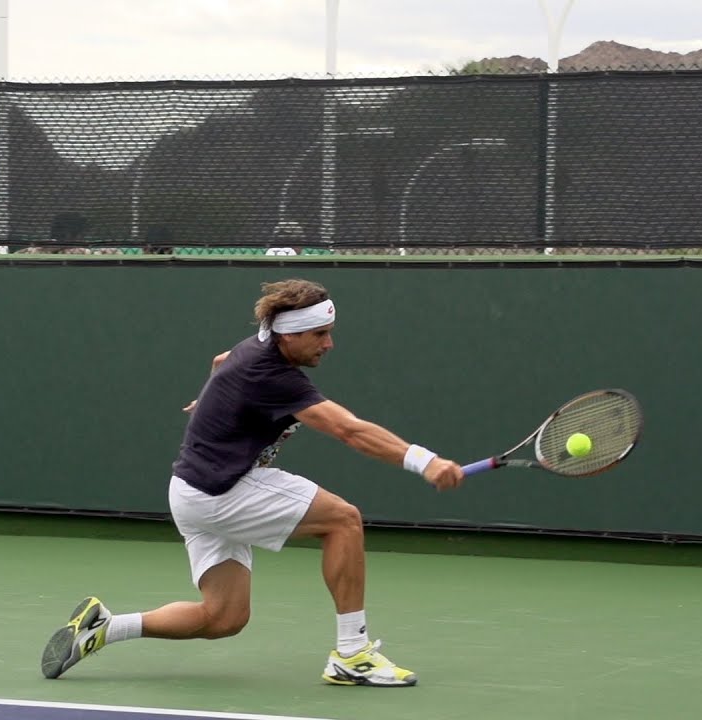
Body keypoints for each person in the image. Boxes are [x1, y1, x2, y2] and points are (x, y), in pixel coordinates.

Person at [40, 278, 465, 687]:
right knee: (344, 521)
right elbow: (349, 431)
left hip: (188, 493)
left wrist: (211, 397)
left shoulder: (256, 345)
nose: (329, 344)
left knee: (224, 618)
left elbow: (220, 362)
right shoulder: (272, 376)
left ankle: (105, 628)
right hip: (223, 491)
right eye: (319, 334)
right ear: (289, 336)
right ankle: (352, 655)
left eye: (330, 332)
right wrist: (425, 462)